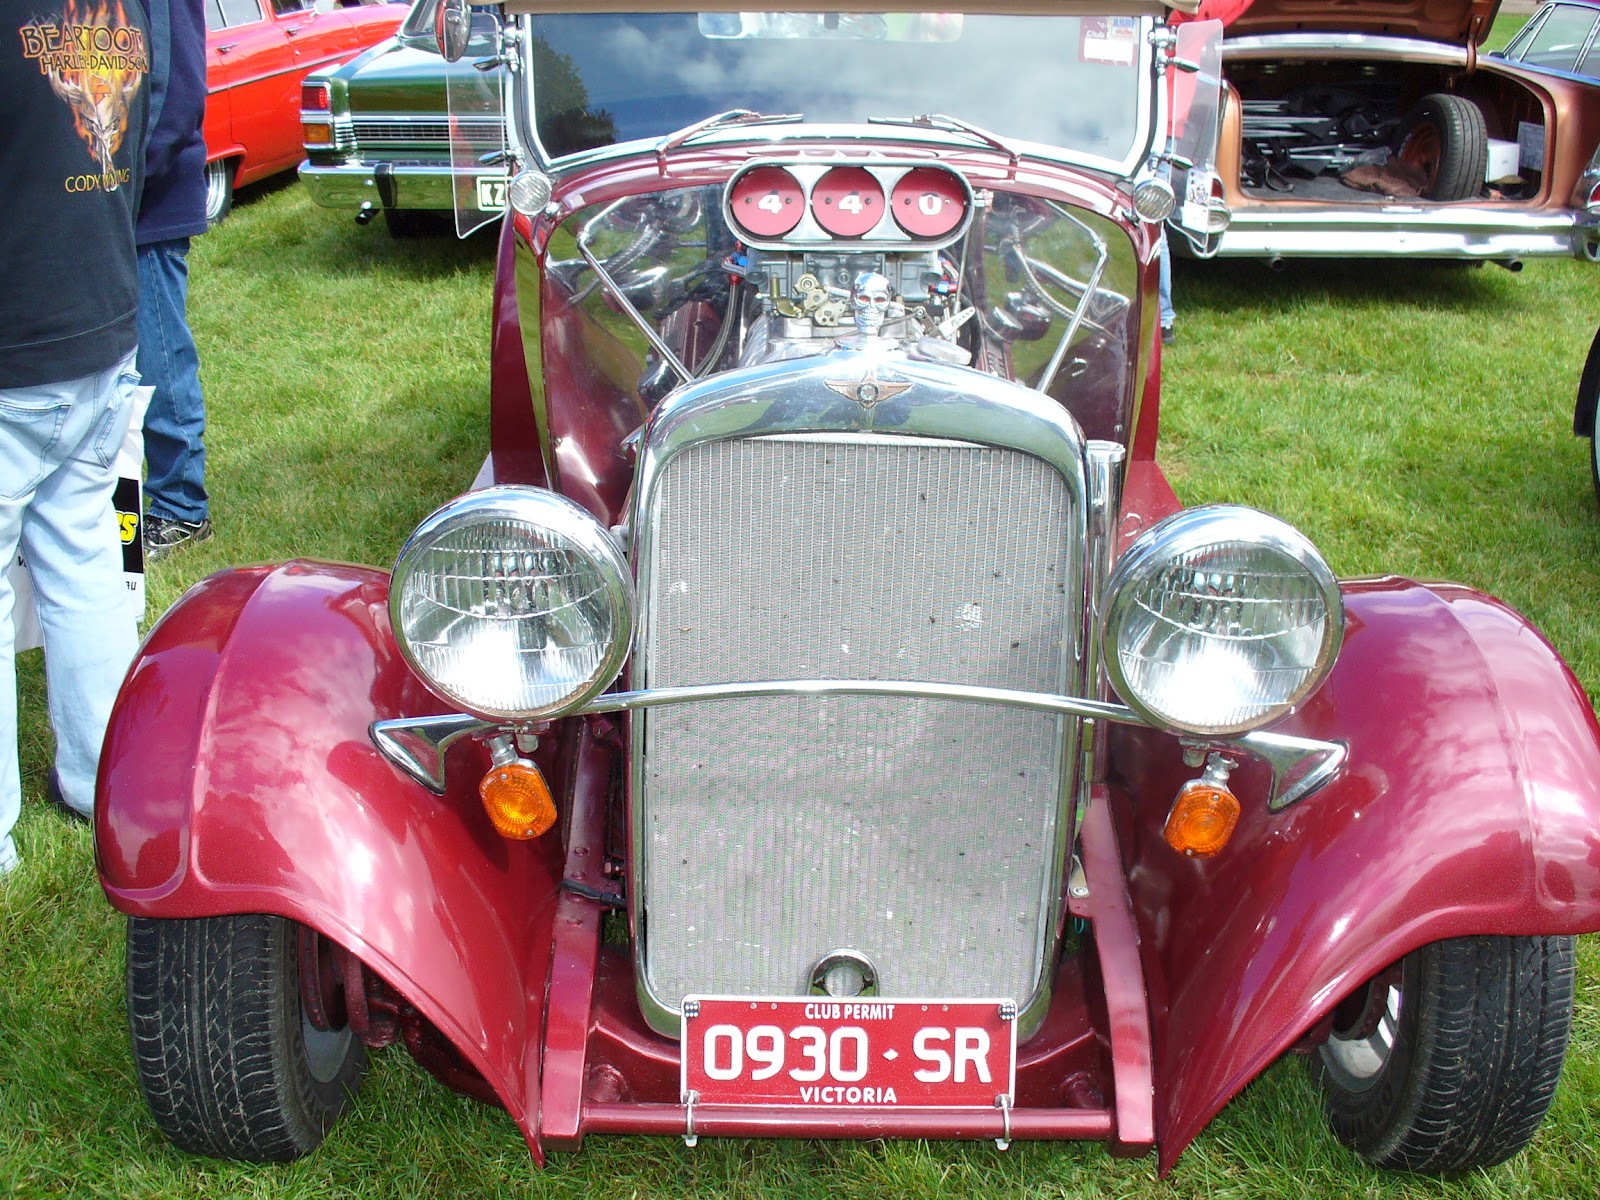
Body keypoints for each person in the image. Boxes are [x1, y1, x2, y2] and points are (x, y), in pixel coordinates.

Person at [1, 0, 154, 870]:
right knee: (86, 557)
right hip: (98, 309)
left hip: (21, 327)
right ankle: (103, 780)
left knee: (81, 558)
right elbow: (158, 131)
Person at [137, 0, 211, 562]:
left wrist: (129, 176)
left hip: (146, 198)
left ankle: (180, 507)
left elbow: (176, 88)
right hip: (96, 197)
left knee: (157, 349)